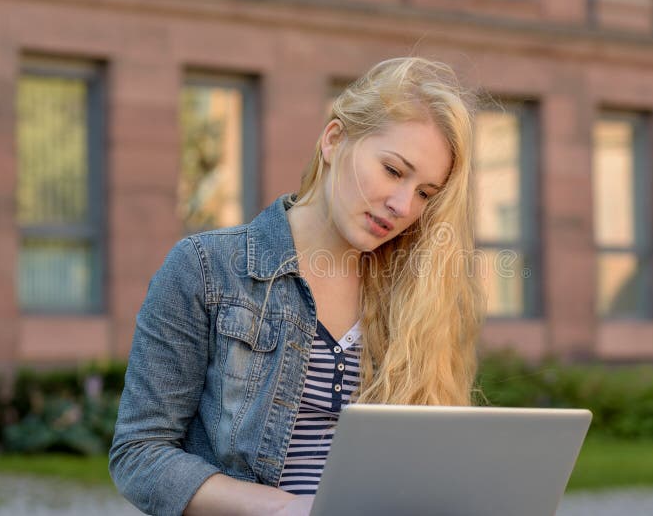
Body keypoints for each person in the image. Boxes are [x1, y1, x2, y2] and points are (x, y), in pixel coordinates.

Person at [109, 56, 485, 516]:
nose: (403, 205)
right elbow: (139, 453)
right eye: (392, 170)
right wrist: (282, 509)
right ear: (334, 140)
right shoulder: (206, 268)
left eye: (426, 193)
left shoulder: (412, 294)